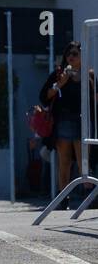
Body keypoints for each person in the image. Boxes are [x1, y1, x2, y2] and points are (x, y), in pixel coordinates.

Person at [40, 41, 95, 202]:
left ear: (82, 57)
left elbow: (95, 99)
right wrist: (60, 84)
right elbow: (44, 97)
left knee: (83, 161)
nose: (71, 57)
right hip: (63, 120)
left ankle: (89, 197)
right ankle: (63, 198)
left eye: (75, 54)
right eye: (68, 54)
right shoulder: (59, 74)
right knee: (64, 162)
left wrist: (86, 79)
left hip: (82, 121)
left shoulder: (89, 74)